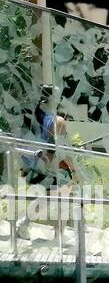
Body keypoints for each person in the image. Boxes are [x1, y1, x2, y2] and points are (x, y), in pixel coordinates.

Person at [15, 85, 77, 244]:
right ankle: (57, 237)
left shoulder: (35, 118)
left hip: (37, 165)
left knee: (47, 198)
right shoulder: (59, 121)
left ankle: (25, 223)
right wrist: (74, 169)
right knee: (63, 199)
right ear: (54, 99)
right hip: (54, 166)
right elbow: (62, 150)